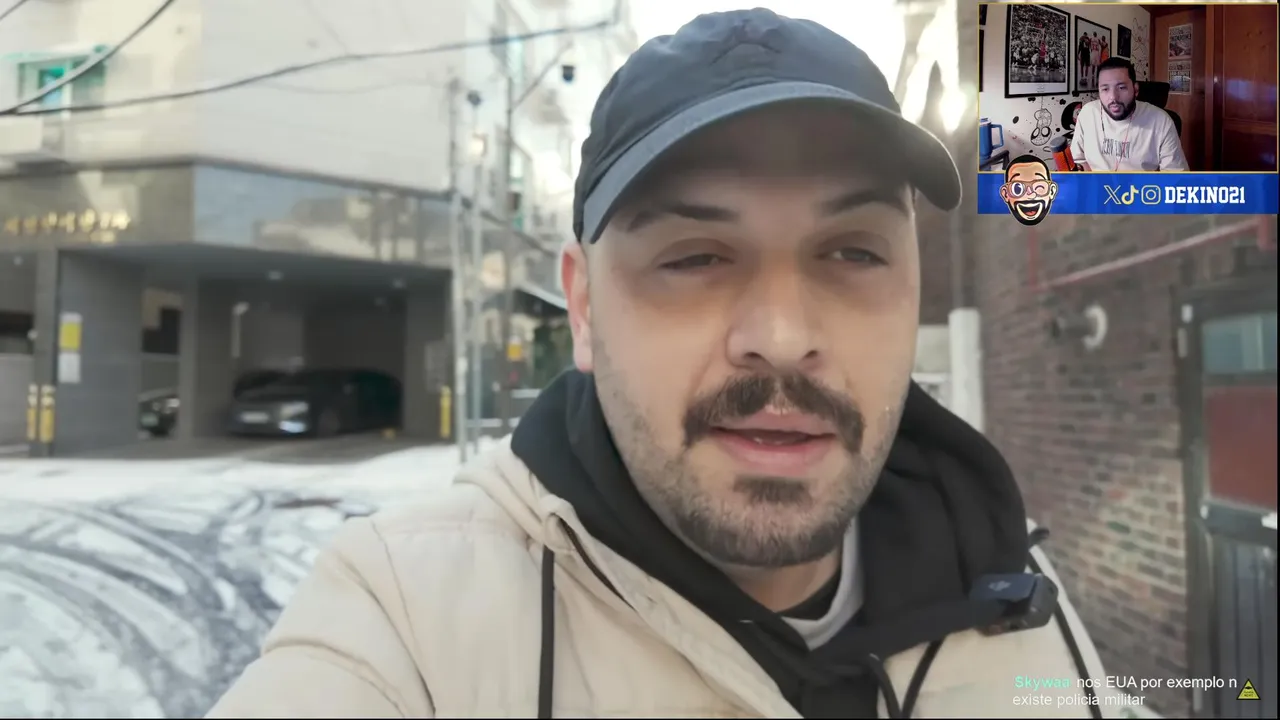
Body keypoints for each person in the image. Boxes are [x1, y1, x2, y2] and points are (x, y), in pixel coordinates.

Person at [208, 9, 1116, 718]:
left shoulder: (1008, 587)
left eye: (852, 252)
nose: (782, 335)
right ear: (584, 307)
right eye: (694, 258)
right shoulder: (410, 617)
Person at [1070, 56, 1189, 171]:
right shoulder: (1087, 113)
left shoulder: (1161, 122)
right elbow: (1078, 160)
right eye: (1105, 89)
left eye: (1121, 88)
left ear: (1135, 90)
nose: (1113, 97)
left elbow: (1175, 176)